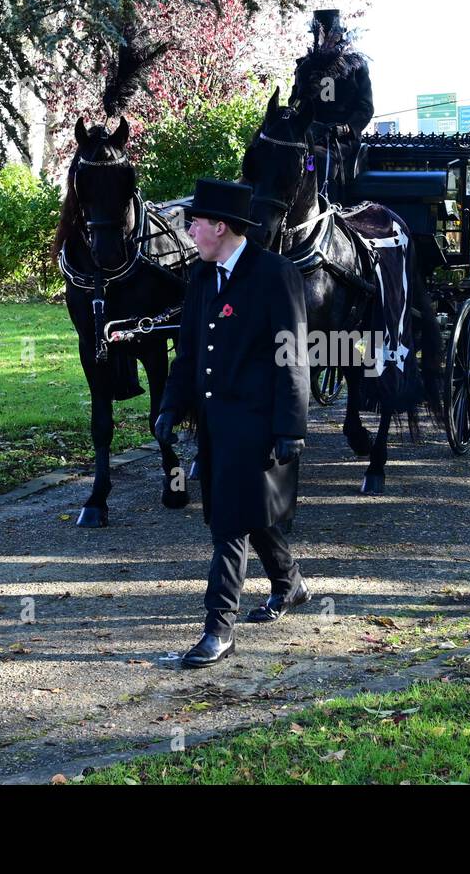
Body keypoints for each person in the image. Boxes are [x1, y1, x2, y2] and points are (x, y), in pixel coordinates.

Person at [155, 178, 313, 668]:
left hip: (259, 422)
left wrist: (292, 426)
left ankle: (218, 629)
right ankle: (290, 585)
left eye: (195, 223)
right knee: (249, 511)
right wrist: (169, 407)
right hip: (215, 423)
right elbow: (188, 354)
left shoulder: (273, 273)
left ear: (220, 227)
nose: (190, 232)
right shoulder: (202, 277)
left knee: (228, 524)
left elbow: (292, 355)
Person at [289, 9, 374, 201]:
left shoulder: (357, 66)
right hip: (308, 133)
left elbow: (366, 107)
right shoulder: (305, 66)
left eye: (330, 33)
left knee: (319, 159)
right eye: (322, 34)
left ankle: (328, 211)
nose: (326, 38)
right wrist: (303, 93)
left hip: (340, 138)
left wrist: (345, 128)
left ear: (339, 34)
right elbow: (294, 102)